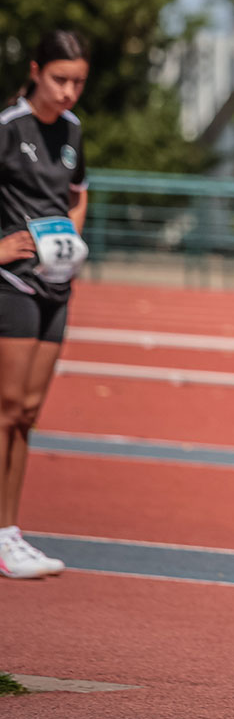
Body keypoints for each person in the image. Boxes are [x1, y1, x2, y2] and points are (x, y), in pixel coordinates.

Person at [0, 30, 92, 580]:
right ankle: (1, 532)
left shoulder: (74, 131)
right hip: (10, 282)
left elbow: (78, 191)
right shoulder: (8, 128)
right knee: (6, 410)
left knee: (29, 414)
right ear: (36, 71)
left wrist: (72, 241)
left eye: (78, 82)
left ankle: (11, 532)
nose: (68, 92)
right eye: (60, 79)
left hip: (57, 283)